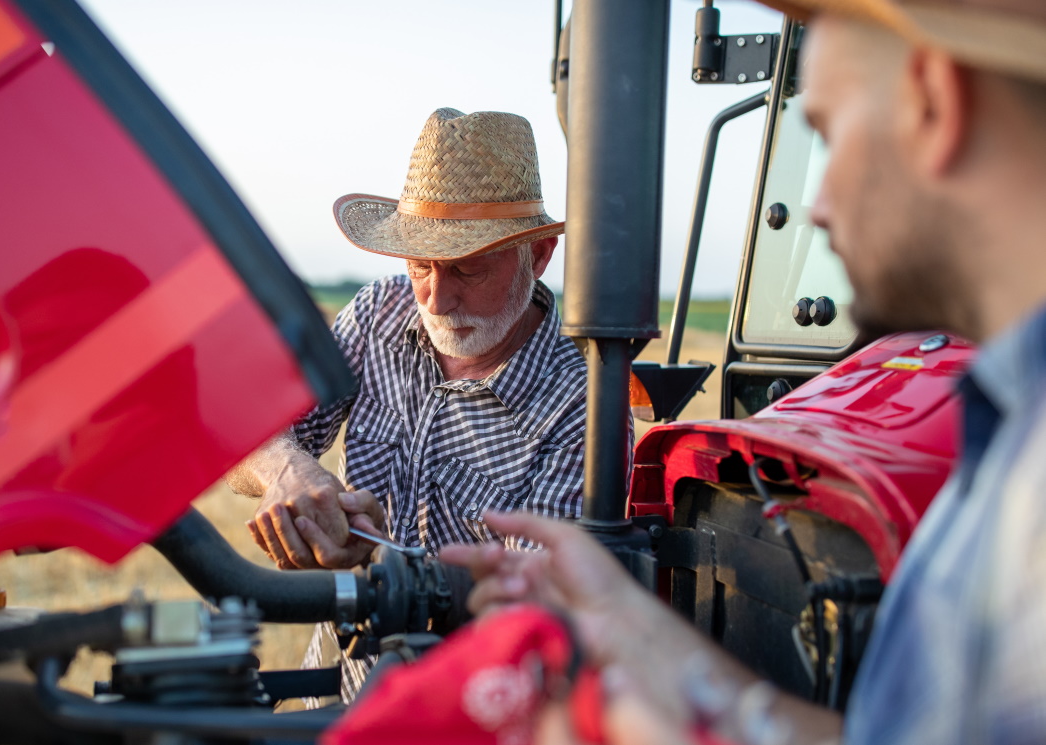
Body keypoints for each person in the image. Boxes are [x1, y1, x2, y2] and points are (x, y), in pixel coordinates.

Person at [442, 1, 1046, 743]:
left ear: (932, 101)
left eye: (823, 133)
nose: (816, 208)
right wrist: (646, 636)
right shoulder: (1013, 430)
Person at [225, 107, 589, 697]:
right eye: (421, 265)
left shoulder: (578, 403)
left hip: (468, 707)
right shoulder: (377, 314)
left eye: (467, 269)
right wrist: (288, 473)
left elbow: (533, 604)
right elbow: (250, 437)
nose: (437, 299)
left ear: (539, 255)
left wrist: (391, 566)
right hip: (341, 682)